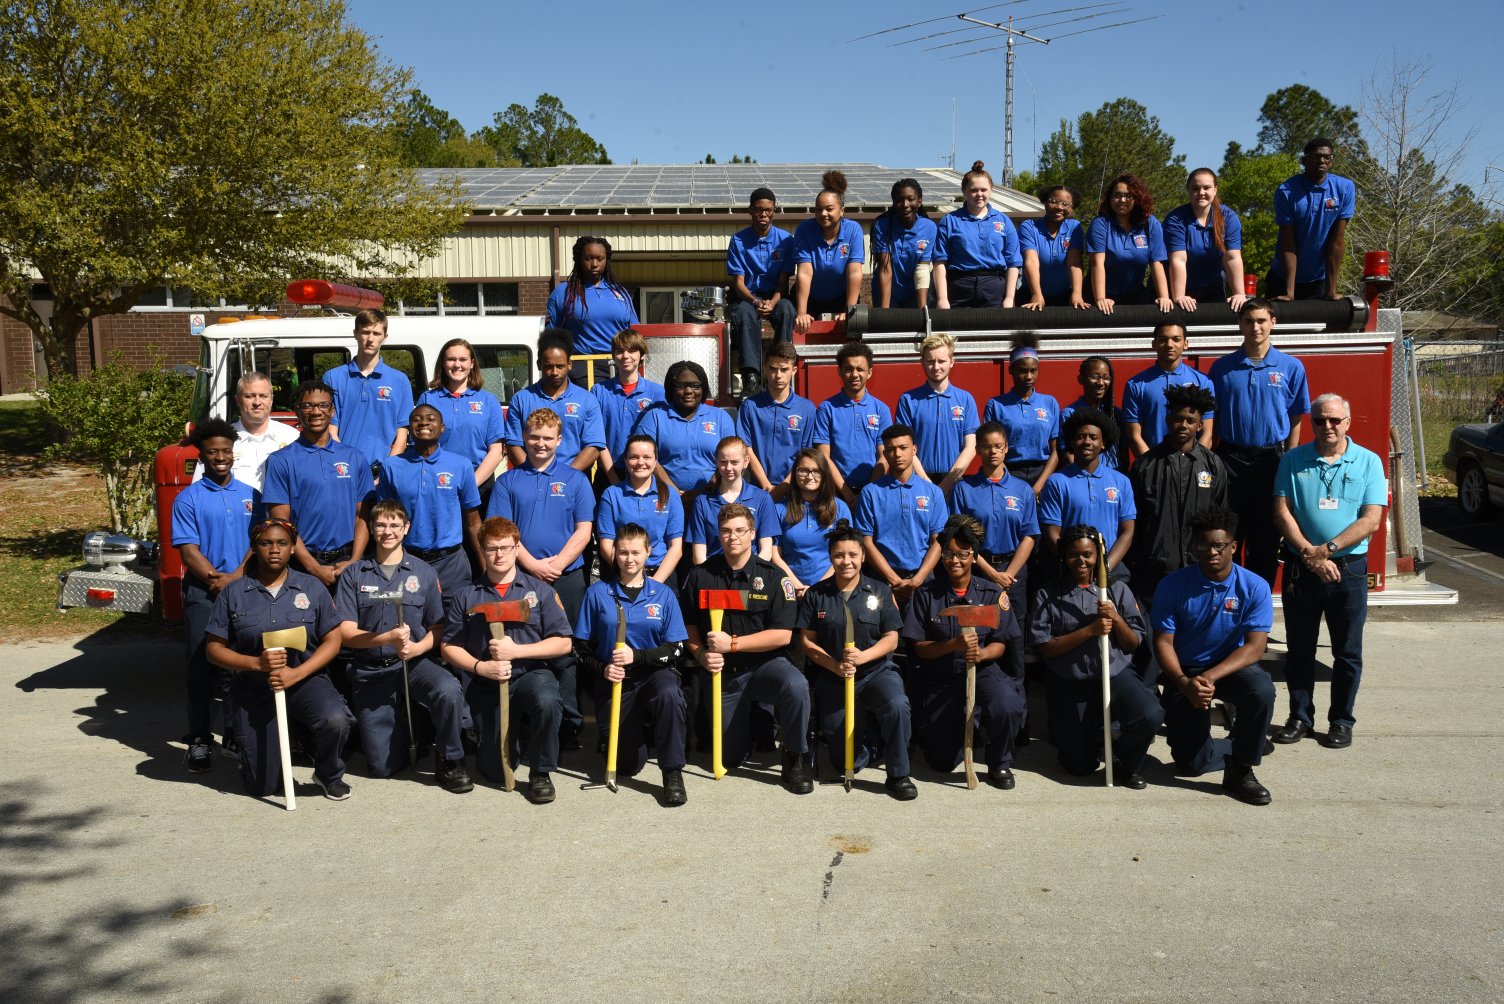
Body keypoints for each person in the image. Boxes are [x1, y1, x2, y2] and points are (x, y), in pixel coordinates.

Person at [205, 517, 355, 801]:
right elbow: (213, 649)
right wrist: (256, 665)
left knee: (335, 720)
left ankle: (327, 772)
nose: (274, 549)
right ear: (254, 548)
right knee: (262, 786)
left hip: (305, 679)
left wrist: (296, 675)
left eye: (282, 543)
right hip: (254, 687)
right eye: (266, 543)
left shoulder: (312, 588)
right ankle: (260, 754)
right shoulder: (233, 593)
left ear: (293, 548)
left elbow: (334, 639)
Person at [1270, 392, 1387, 749]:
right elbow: (1281, 510)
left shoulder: (1368, 462)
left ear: (1347, 423)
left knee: (1347, 651)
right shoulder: (1293, 460)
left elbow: (1371, 519)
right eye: (1320, 420)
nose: (1327, 426)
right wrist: (1309, 554)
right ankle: (1300, 717)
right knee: (1300, 648)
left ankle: (1341, 720)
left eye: (1335, 420)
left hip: (1348, 570)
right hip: (1301, 568)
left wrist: (1328, 550)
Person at [335, 500, 471, 792]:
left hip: (413, 664)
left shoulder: (423, 573)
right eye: (381, 525)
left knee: (447, 688)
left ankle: (450, 759)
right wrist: (386, 639)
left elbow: (438, 627)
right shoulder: (354, 574)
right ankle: (415, 728)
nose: (388, 531)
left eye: (395, 525)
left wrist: (418, 648)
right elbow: (345, 632)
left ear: (406, 528)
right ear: (371, 528)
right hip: (371, 670)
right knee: (383, 768)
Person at [681, 504, 813, 794]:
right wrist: (700, 653)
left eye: (740, 530)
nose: (733, 537)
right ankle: (753, 726)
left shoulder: (774, 577)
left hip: (766, 666)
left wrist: (734, 643)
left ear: (752, 534)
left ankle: (795, 757)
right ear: (719, 534)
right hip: (725, 675)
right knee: (731, 758)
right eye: (726, 531)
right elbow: (688, 626)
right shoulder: (700, 576)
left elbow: (781, 635)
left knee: (796, 685)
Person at [441, 516, 572, 804]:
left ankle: (540, 771)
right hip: (487, 681)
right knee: (494, 771)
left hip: (530, 674)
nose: (499, 554)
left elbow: (564, 641)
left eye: (505, 547)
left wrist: (518, 651)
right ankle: (511, 744)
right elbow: (448, 646)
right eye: (491, 548)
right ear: (482, 551)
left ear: (516, 548)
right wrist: (480, 666)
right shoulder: (466, 596)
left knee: (547, 700)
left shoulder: (540, 592)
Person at [1151, 506, 1276, 805]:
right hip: (1187, 672)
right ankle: (1243, 743)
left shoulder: (1255, 586)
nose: (1212, 552)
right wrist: (1184, 682)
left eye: (1219, 545)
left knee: (1262, 690)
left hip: (1228, 668)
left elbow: (1255, 648)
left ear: (1233, 546)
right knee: (1191, 766)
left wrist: (1208, 678)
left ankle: (1242, 769)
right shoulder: (1173, 585)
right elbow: (1163, 643)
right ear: (1195, 546)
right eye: (1204, 544)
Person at [486, 407, 595, 746]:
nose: (540, 444)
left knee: (567, 653)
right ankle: (528, 721)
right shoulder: (508, 480)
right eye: (534, 437)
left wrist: (558, 564)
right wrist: (533, 566)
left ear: (560, 441)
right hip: (522, 579)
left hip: (568, 578)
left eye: (548, 438)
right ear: (524, 439)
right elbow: (501, 533)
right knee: (522, 646)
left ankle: (569, 727)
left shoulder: (576, 480)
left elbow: (584, 529)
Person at [1029, 525, 1161, 788]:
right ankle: (1089, 739)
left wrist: (1115, 618)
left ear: (1097, 557)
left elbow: (1132, 643)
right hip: (1071, 680)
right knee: (1079, 766)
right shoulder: (1048, 594)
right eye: (1073, 555)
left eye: (1087, 555)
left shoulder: (1116, 591)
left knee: (1150, 714)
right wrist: (1089, 631)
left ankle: (1125, 760)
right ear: (1064, 557)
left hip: (1114, 674)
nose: (1081, 561)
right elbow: (1044, 646)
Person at [902, 517, 1026, 789]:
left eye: (962, 554)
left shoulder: (991, 594)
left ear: (974, 557)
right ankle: (953, 737)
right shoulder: (926, 594)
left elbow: (1001, 643)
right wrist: (954, 645)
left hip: (980, 669)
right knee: (942, 762)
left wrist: (981, 655)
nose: (954, 560)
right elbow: (919, 649)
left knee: (1007, 703)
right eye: (948, 554)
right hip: (941, 675)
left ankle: (1000, 764)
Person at [797, 521, 916, 800]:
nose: (846, 561)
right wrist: (835, 665)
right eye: (839, 555)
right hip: (834, 677)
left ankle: (899, 775)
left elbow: (891, 639)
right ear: (830, 557)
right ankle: (872, 743)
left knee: (897, 704)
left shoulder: (880, 591)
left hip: (876, 672)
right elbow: (805, 641)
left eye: (852, 555)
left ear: (863, 556)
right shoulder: (816, 594)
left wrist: (864, 657)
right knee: (846, 763)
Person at [573, 523, 690, 806]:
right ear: (614, 552)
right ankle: (639, 735)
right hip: (614, 681)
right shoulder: (598, 594)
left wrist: (637, 657)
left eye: (636, 552)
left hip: (654, 675)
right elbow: (579, 647)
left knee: (670, 694)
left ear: (648, 552)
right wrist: (603, 668)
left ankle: (672, 771)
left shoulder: (663, 595)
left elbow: (676, 648)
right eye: (623, 552)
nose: (629, 559)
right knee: (628, 766)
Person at [173, 418, 258, 771]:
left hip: (243, 591)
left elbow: (260, 542)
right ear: (202, 456)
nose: (220, 457)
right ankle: (199, 740)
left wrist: (236, 577)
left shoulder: (252, 495)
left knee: (238, 669)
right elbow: (187, 549)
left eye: (225, 451)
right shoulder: (188, 498)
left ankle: (235, 735)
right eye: (213, 452)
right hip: (203, 593)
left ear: (233, 453)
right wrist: (215, 578)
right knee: (200, 666)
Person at [1209, 298, 1310, 585]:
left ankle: (1257, 614)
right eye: (1249, 321)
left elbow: (1296, 417)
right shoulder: (1222, 369)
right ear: (1240, 324)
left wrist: (1290, 460)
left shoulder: (1291, 367)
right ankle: (1226, 606)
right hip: (1230, 463)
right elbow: (1211, 418)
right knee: (1227, 539)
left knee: (1265, 543)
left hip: (1271, 463)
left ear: (1273, 323)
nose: (1255, 327)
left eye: (1262, 321)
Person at [262, 381, 374, 589]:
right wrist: (314, 568)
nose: (316, 411)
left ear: (332, 410)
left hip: (348, 562)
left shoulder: (354, 457)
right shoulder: (280, 460)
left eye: (323, 405)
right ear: (297, 410)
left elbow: (363, 515)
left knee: (350, 623)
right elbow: (282, 523)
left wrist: (354, 560)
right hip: (302, 566)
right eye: (307, 406)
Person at [950, 421, 1038, 678]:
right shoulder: (964, 489)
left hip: (1014, 574)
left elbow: (1029, 536)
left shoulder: (1022, 490)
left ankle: (1017, 702)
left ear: (1006, 448)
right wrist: (992, 575)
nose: (993, 452)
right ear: (978, 450)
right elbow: (960, 538)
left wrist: (1007, 575)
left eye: (998, 446)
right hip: (977, 570)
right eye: (987, 447)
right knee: (977, 633)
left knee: (1013, 636)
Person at [1128, 385, 1229, 603]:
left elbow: (1222, 518)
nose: (1183, 425)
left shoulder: (1213, 464)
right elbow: (1133, 522)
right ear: (1167, 419)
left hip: (1199, 570)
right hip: (1154, 575)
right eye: (1178, 418)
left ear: (1200, 425)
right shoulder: (1145, 466)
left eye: (1190, 421)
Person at [375, 404, 482, 597]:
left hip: (451, 563)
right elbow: (383, 521)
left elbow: (473, 522)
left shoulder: (461, 465)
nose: (424, 422)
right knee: (409, 623)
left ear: (442, 427)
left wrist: (486, 567)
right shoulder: (391, 466)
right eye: (417, 419)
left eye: (431, 418)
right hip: (406, 560)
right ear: (408, 428)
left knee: (455, 622)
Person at [855, 424, 948, 606]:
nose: (897, 454)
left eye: (903, 448)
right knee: (885, 634)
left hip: (923, 579)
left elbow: (938, 540)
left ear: (914, 450)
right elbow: (866, 541)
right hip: (882, 581)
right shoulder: (870, 492)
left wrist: (917, 580)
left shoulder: (933, 492)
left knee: (921, 635)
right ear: (885, 453)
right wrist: (894, 580)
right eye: (891, 449)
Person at [1038, 406, 1136, 579]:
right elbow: (1051, 534)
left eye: (1093, 437)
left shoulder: (1121, 482)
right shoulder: (1057, 482)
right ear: (1071, 442)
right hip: (1070, 573)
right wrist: (1077, 565)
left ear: (1103, 443)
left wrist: (1104, 568)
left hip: (1112, 570)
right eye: (1080, 437)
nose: (1087, 442)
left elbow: (1126, 532)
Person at [502, 330, 605, 473]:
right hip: (532, 480)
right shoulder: (521, 399)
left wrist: (565, 477)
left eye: (560, 366)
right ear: (539, 364)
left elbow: (594, 446)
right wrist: (536, 474)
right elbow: (513, 444)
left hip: (574, 481)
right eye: (549, 366)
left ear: (569, 364)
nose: (555, 372)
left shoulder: (587, 400)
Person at [1266, 138, 1355, 302]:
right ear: (1304, 160)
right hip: (1282, 279)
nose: (1322, 160)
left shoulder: (1345, 188)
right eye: (1316, 156)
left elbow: (1336, 242)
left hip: (1317, 281)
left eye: (1327, 157)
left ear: (1331, 161)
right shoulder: (1286, 191)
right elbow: (1288, 243)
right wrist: (1289, 292)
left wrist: (1331, 291)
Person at [321, 307, 414, 462]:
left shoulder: (400, 381)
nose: (370, 339)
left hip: (383, 471)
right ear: (355, 334)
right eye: (365, 332)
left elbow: (402, 435)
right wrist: (346, 465)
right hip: (342, 467)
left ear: (385, 337)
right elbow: (330, 430)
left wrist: (387, 472)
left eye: (376, 333)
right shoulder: (332, 377)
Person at [417, 338, 506, 498]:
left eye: (463, 359)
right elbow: (420, 446)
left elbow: (496, 451)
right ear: (443, 363)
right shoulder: (428, 399)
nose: (457, 365)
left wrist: (470, 485)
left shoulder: (488, 401)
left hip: (479, 482)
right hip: (437, 480)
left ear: (472, 363)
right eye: (451, 359)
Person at [726, 187, 796, 392]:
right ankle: (752, 376)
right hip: (748, 297)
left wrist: (772, 303)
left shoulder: (786, 240)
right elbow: (738, 283)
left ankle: (781, 366)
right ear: (750, 210)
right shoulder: (738, 241)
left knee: (787, 309)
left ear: (774, 211)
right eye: (758, 210)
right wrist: (756, 302)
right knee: (743, 313)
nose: (763, 214)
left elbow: (783, 284)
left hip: (776, 295)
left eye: (768, 210)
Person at [629, 360, 730, 495]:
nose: (688, 391)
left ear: (703, 388)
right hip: (664, 496)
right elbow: (642, 457)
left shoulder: (721, 417)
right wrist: (674, 493)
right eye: (681, 386)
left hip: (712, 497)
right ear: (671, 388)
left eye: (695, 385)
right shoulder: (655, 417)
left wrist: (707, 491)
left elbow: (732, 458)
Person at [895, 332, 979, 493]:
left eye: (941, 361)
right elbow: (905, 447)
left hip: (955, 482)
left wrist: (947, 483)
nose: (936, 367)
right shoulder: (908, 400)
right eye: (930, 361)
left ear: (952, 362)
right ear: (922, 362)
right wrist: (927, 484)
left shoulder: (965, 399)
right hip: (918, 482)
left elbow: (971, 447)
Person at [595, 434, 685, 583]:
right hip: (621, 575)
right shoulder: (611, 495)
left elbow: (676, 547)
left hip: (661, 576)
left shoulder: (670, 495)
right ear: (625, 460)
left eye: (647, 457)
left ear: (655, 460)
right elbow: (606, 545)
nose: (640, 462)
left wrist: (655, 582)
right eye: (634, 457)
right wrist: (630, 576)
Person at [932, 160, 1021, 309]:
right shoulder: (949, 221)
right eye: (974, 190)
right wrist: (942, 299)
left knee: (993, 331)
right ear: (964, 191)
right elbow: (940, 262)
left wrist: (1010, 298)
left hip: (994, 289)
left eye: (984, 190)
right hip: (960, 287)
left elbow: (1013, 263)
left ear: (991, 190)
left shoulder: (1004, 221)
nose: (979, 194)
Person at [813, 341, 892, 505]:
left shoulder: (881, 410)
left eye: (860, 369)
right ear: (839, 371)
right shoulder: (827, 409)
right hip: (836, 494)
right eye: (849, 369)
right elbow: (823, 457)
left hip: (872, 492)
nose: (855, 374)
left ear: (869, 372)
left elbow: (884, 456)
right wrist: (847, 494)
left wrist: (868, 491)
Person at [1121, 322, 1216, 457]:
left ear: (1185, 344)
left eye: (1176, 339)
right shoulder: (1136, 385)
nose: (1169, 344)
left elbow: (1207, 433)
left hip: (1192, 466)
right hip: (1152, 465)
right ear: (1154, 344)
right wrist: (1151, 466)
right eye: (1163, 339)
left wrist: (1193, 464)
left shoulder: (1203, 382)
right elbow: (1134, 436)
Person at [736, 341, 816, 500]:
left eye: (784, 369)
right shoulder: (750, 406)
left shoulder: (807, 409)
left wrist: (785, 486)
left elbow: (807, 454)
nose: (778, 375)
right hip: (758, 490)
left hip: (795, 491)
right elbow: (746, 449)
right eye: (773, 368)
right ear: (765, 368)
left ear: (794, 370)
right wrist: (767, 486)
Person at [192, 371, 298, 491]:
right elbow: (199, 491)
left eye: (263, 396)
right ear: (238, 400)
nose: (257, 402)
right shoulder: (220, 441)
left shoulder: (292, 438)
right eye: (249, 396)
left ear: (271, 400)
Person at [983, 335, 1060, 496]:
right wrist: (1009, 482)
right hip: (1009, 473)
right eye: (1023, 371)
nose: (1029, 377)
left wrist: (1039, 486)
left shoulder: (1050, 403)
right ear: (1011, 370)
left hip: (1043, 473)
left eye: (1033, 371)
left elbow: (1055, 451)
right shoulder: (996, 405)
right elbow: (991, 448)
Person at [792, 170, 865, 335]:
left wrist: (849, 311)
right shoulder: (804, 230)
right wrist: (802, 313)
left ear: (842, 211)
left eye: (829, 209)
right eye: (818, 209)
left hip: (842, 297)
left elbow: (854, 272)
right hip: (811, 297)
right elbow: (804, 273)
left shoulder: (853, 230)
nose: (823, 214)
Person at [1085, 173, 1171, 314]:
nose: (1122, 200)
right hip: (1101, 294)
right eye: (1117, 195)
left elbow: (1156, 263)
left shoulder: (1150, 223)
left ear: (1137, 199)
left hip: (1135, 294)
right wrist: (1101, 299)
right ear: (1109, 198)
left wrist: (1164, 297)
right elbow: (1097, 264)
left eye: (1128, 195)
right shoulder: (1100, 224)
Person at [1165, 168, 1247, 312]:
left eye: (1207, 188)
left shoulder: (1228, 217)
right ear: (1188, 191)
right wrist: (1179, 296)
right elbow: (1178, 260)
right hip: (1179, 286)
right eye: (1195, 188)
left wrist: (1239, 294)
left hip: (1213, 286)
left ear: (1215, 190)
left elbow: (1232, 258)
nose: (1201, 193)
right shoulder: (1175, 219)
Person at [772, 448, 852, 596]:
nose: (810, 476)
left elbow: (845, 553)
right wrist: (796, 586)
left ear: (824, 475)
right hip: (789, 590)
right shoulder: (779, 509)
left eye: (816, 471)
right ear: (794, 473)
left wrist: (817, 589)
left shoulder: (839, 507)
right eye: (803, 470)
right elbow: (775, 555)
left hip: (831, 590)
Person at [686, 436, 778, 564]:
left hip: (751, 575)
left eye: (735, 462)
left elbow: (766, 550)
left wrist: (753, 576)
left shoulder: (762, 498)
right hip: (714, 575)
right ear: (716, 462)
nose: (728, 468)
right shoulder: (702, 502)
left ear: (746, 462)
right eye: (723, 462)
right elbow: (699, 556)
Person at [547, 235, 640, 361]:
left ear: (606, 260)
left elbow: (635, 332)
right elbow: (550, 337)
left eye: (600, 259)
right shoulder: (563, 292)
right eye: (588, 258)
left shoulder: (620, 292)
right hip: (582, 367)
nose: (594, 264)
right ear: (578, 259)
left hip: (621, 364)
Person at [590, 328, 665, 483]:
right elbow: (597, 438)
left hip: (646, 472)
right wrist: (613, 478)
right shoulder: (599, 392)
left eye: (632, 350)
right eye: (619, 351)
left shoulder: (658, 393)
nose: (625, 356)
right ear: (613, 356)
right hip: (608, 472)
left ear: (642, 355)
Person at [872, 177, 938, 309]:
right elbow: (885, 269)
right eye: (899, 200)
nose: (905, 204)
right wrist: (885, 311)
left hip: (916, 293)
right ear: (893, 202)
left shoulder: (929, 228)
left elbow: (922, 270)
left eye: (910, 199)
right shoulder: (882, 225)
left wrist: (923, 311)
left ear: (919, 201)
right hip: (887, 293)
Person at [1020, 185, 1087, 310]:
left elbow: (1074, 262)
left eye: (1066, 204)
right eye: (1054, 201)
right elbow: (1031, 261)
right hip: (1031, 294)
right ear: (1045, 202)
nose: (1059, 207)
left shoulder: (1074, 227)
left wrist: (1077, 294)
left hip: (1064, 295)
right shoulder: (1029, 227)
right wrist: (1036, 294)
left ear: (1071, 208)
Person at [1059, 355, 1124, 470]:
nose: (1100, 383)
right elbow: (1068, 455)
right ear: (1081, 379)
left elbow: (1123, 454)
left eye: (1106, 378)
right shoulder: (1069, 414)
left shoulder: (1116, 414)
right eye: (1094, 377)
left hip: (1113, 478)